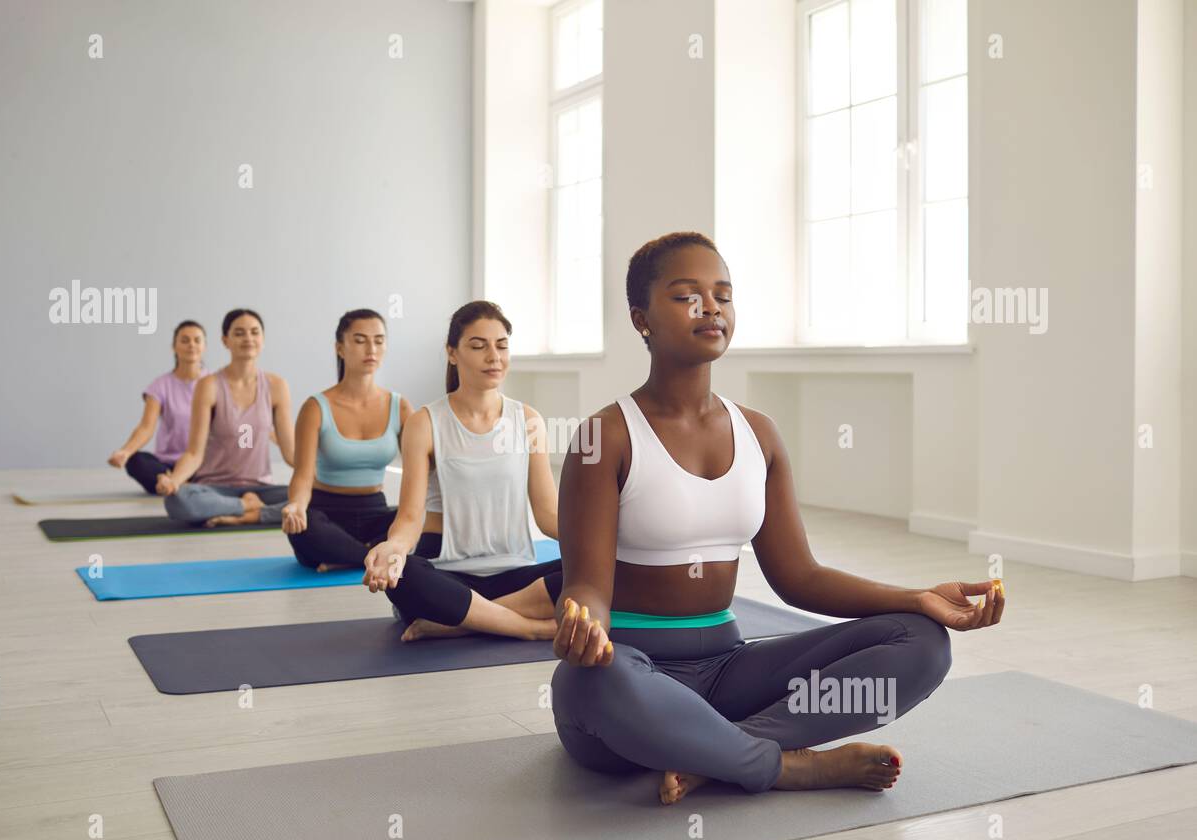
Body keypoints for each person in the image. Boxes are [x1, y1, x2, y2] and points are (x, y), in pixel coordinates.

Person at [550, 231, 1005, 805]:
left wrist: (917, 598)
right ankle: (792, 767)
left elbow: (799, 578)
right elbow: (587, 585)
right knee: (591, 684)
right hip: (632, 677)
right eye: (687, 295)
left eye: (722, 294)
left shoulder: (758, 434)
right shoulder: (603, 436)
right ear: (641, 318)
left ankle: (725, 751)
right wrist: (583, 624)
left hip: (728, 674)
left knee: (921, 642)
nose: (710, 307)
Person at [361, 301, 563, 642]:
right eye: (478, 346)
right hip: (447, 572)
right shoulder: (424, 423)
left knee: (598, 571)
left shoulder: (528, 420)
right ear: (452, 353)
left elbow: (548, 514)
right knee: (406, 576)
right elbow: (410, 517)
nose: (493, 357)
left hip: (513, 571)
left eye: (501, 345)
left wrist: (605, 543)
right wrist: (393, 548)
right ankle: (528, 627)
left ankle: (460, 622)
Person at [283, 309, 416, 569]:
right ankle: (370, 557)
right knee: (303, 528)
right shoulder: (315, 407)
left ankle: (345, 558)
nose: (371, 348)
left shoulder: (399, 406)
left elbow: (421, 471)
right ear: (340, 348)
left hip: (375, 512)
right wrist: (296, 505)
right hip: (326, 514)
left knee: (416, 523)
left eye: (378, 340)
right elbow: (302, 475)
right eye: (359, 340)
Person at [157, 309, 295, 526]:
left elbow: (291, 451)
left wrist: (323, 477)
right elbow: (194, 453)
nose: (248, 338)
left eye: (254, 332)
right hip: (215, 488)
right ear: (225, 340)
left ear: (263, 339)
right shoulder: (209, 386)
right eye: (239, 333)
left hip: (261, 488)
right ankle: (245, 507)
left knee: (319, 498)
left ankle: (253, 515)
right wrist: (173, 481)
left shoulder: (277, 386)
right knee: (178, 501)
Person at [107, 320, 208, 493]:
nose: (191, 345)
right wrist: (125, 451)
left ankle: (173, 482)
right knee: (136, 460)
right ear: (173, 347)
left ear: (204, 347)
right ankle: (177, 482)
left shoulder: (214, 383)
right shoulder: (160, 385)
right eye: (184, 340)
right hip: (167, 463)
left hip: (201, 461)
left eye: (197, 340)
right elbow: (146, 427)